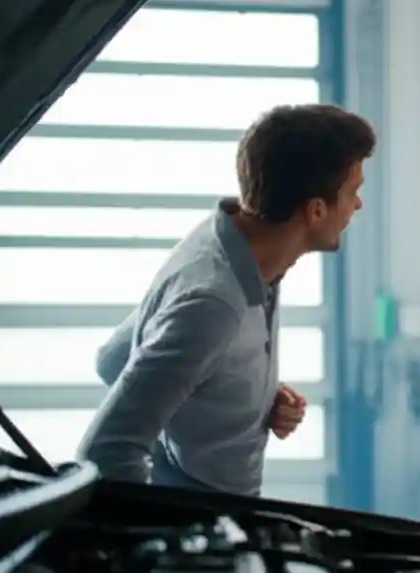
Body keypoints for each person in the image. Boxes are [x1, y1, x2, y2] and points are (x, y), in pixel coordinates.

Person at [78, 103, 375, 496]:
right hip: (202, 529)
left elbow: (115, 360)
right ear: (316, 210)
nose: (358, 205)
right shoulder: (213, 305)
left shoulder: (235, 244)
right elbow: (108, 451)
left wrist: (246, 391)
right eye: (353, 191)